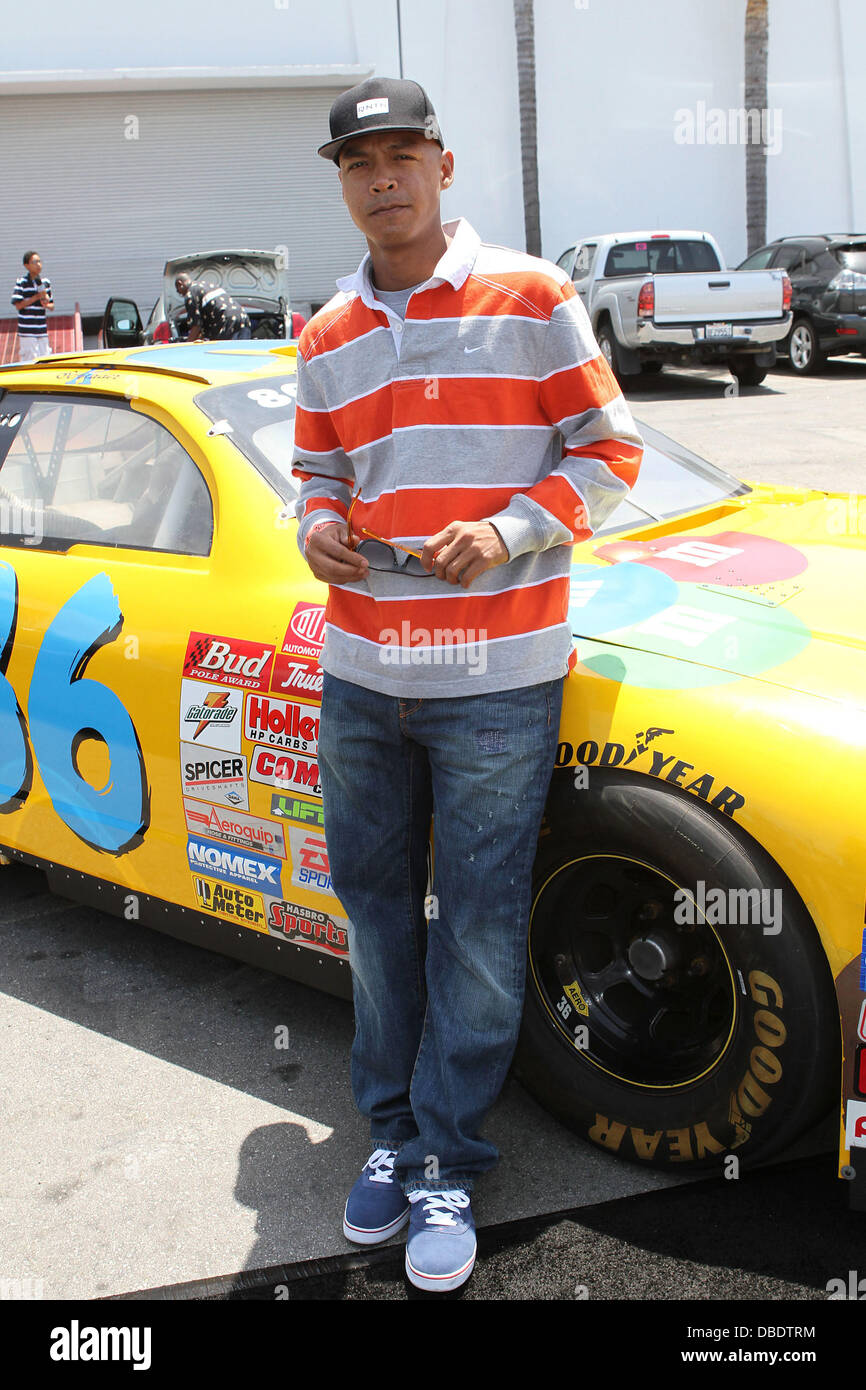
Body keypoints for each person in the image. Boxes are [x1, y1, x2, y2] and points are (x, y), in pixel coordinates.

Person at [292, 77, 643, 1293]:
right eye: (357, 163)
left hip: (494, 671)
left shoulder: (534, 294)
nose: (381, 180)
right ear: (339, 182)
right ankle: (387, 1134)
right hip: (360, 671)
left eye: (401, 156)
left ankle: (447, 1154)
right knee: (379, 916)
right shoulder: (326, 329)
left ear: (444, 166)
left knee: (478, 927)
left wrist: (503, 531)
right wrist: (316, 526)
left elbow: (611, 454)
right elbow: (318, 475)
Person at [174, 273, 251, 341]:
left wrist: (188, 346)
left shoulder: (191, 293)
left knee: (223, 354)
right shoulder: (207, 285)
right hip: (243, 318)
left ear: (180, 284)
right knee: (242, 353)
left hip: (226, 322)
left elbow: (196, 325)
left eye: (178, 291)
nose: (181, 294)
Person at [12, 251, 54, 361]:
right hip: (27, 331)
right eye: (35, 262)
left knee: (45, 359)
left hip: (41, 329)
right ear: (26, 265)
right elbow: (18, 305)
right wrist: (35, 297)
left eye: (39, 261)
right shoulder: (21, 282)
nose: (38, 265)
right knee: (30, 360)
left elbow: (52, 306)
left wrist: (46, 304)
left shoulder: (45, 282)